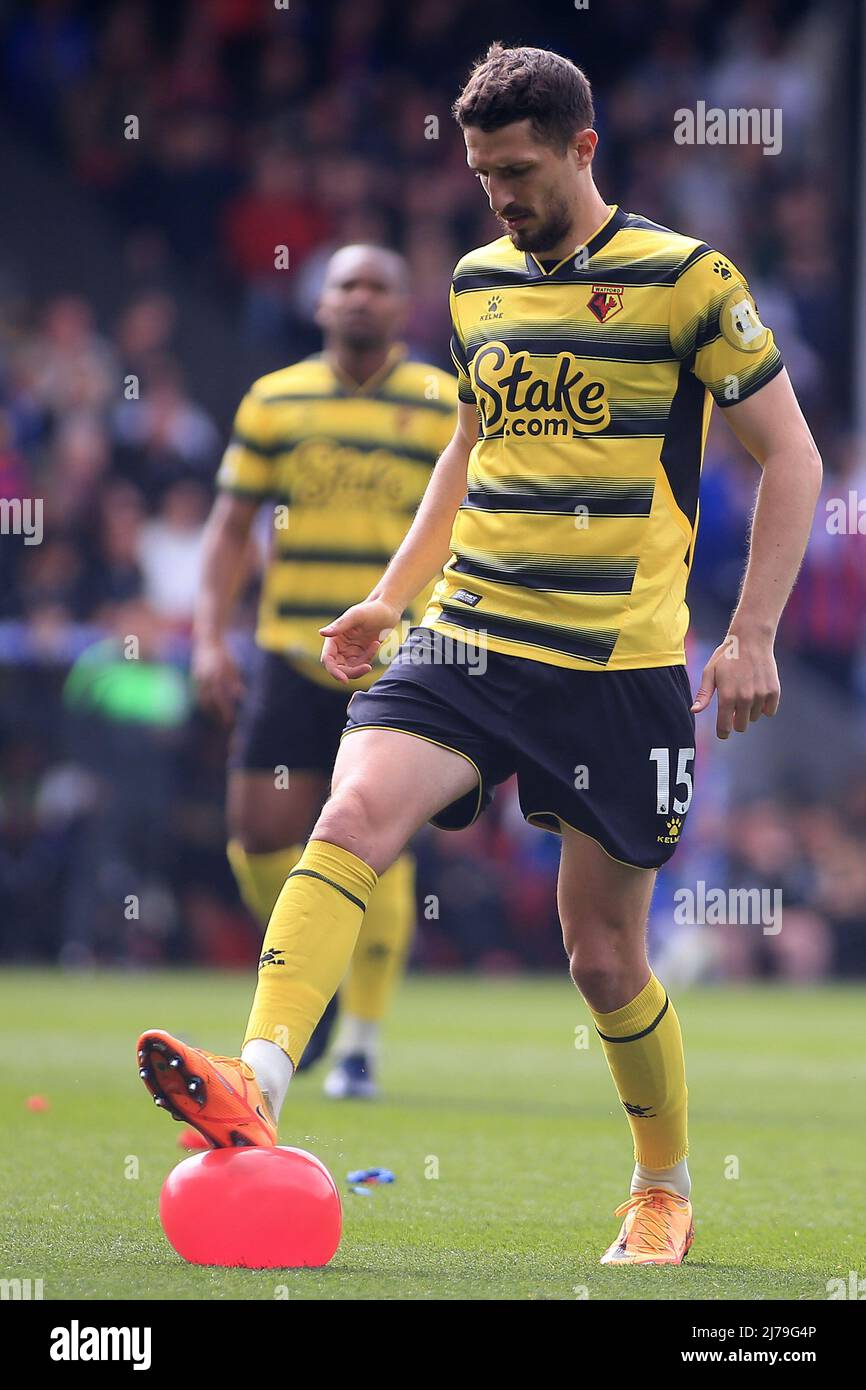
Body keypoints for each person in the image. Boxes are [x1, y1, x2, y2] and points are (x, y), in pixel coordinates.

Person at [137, 45, 822, 1266]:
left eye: (517, 171)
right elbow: (467, 452)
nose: (499, 196)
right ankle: (257, 1084)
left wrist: (752, 632)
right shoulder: (473, 282)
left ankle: (661, 1185)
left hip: (614, 668)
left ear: (580, 149)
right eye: (480, 174)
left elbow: (793, 457)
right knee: (345, 818)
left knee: (601, 956)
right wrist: (388, 599)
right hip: (466, 637)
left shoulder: (683, 279)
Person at [190, 244, 457, 1099]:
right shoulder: (275, 399)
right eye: (345, 284)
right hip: (288, 648)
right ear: (319, 303)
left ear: (403, 304)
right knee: (258, 835)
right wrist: (206, 637)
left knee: (372, 834)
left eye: (378, 285)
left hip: (396, 657)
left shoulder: (443, 399)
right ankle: (323, 967)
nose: (361, 298)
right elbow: (230, 530)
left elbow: (465, 520)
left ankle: (359, 1048)